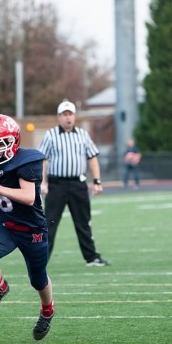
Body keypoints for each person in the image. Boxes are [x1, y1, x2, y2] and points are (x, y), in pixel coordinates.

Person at [0, 114, 55, 340]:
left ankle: (47, 311)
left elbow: (28, 197)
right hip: (6, 225)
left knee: (38, 279)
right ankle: (0, 288)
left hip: (32, 230)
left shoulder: (26, 161)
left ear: (12, 142)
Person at [38, 100, 108, 267]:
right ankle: (41, 260)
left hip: (78, 184)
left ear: (75, 116)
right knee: (50, 223)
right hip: (56, 185)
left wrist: (97, 181)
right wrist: (42, 182)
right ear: (59, 117)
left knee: (83, 222)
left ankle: (91, 257)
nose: (68, 118)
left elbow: (92, 157)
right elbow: (42, 160)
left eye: (70, 114)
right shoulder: (51, 135)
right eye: (64, 114)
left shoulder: (83, 134)